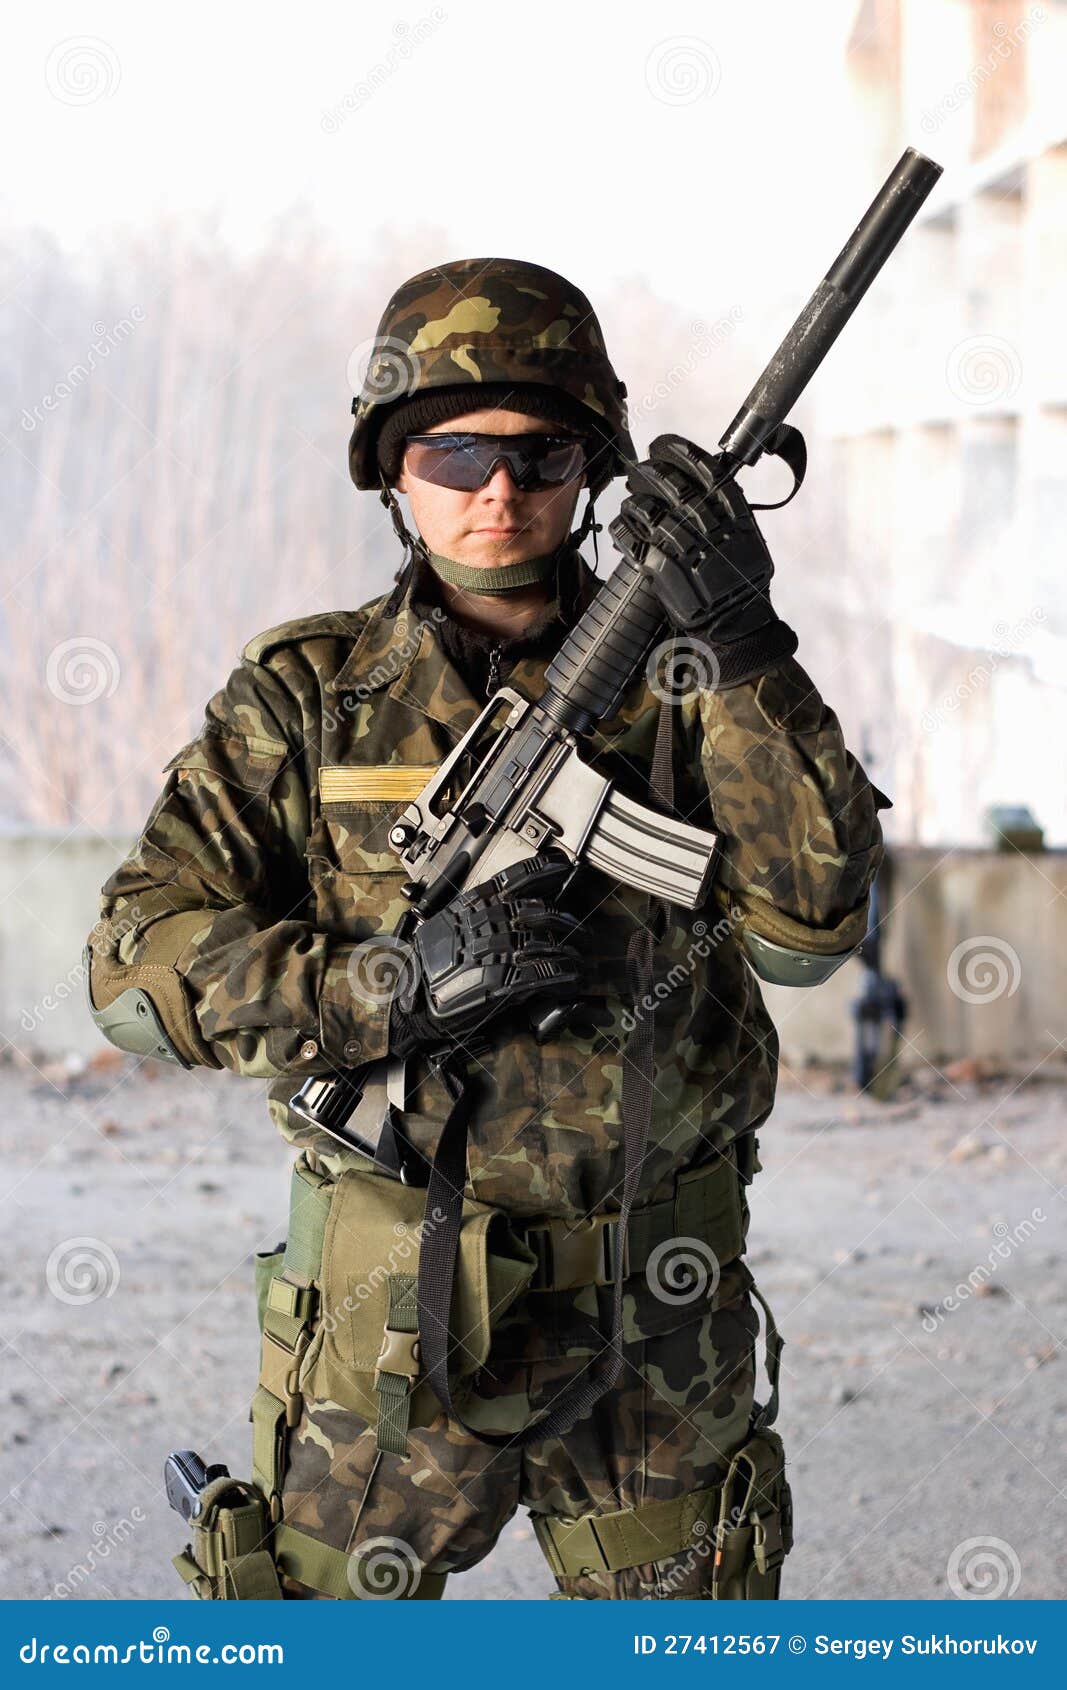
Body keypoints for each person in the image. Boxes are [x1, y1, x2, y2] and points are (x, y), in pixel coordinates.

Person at [86, 257, 889, 1601]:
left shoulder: (698, 678)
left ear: (593, 468)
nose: (499, 489)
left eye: (541, 453)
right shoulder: (308, 694)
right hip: (391, 1313)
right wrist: (388, 985)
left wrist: (746, 643)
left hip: (657, 1307)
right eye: (454, 453)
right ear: (392, 470)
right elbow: (129, 968)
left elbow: (810, 931)